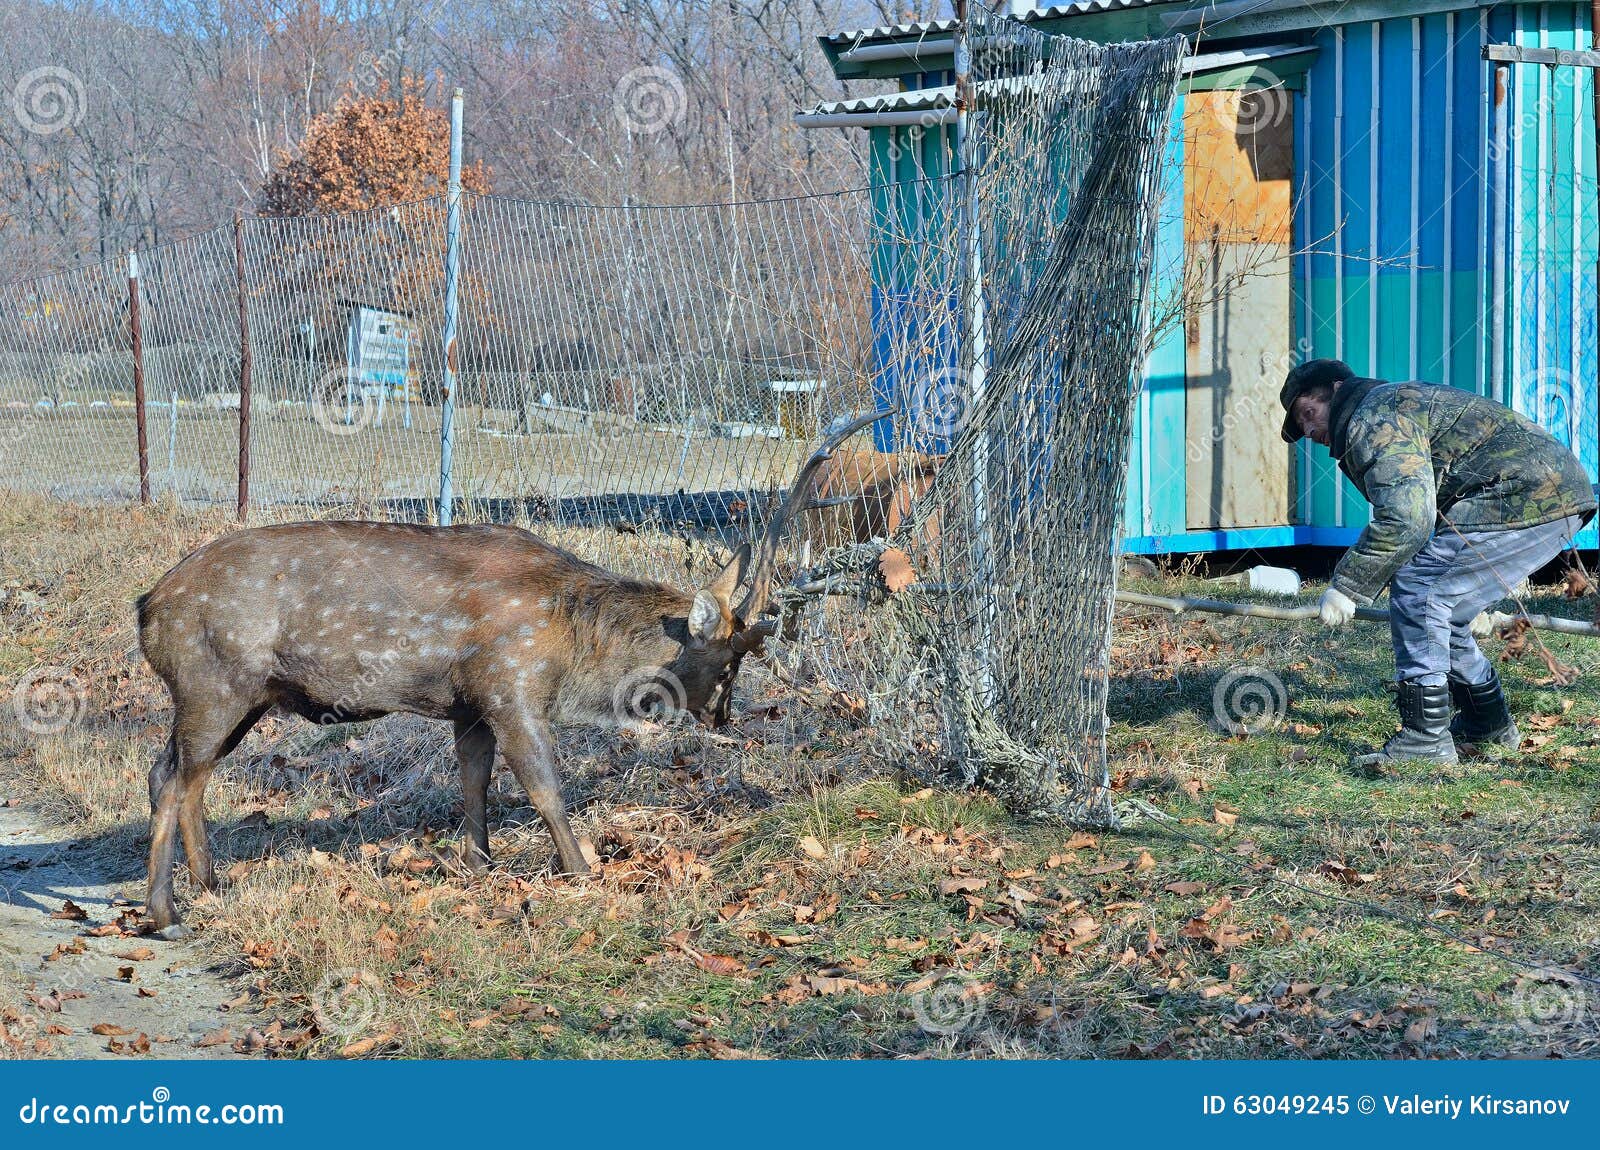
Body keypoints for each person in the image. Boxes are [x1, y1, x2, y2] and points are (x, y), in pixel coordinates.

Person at [1279, 359, 1596, 769]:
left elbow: (1407, 519)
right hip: (1546, 493)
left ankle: (1425, 739)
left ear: (1337, 389)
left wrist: (1348, 586)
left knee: (1420, 591)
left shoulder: (1373, 416)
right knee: (1441, 605)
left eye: (1308, 413)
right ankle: (1486, 722)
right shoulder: (1388, 406)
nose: (1309, 430)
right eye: (1301, 427)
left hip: (1522, 495)